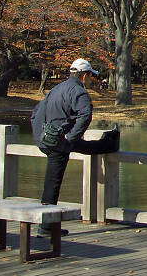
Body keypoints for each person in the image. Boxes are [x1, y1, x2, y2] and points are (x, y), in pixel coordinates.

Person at [31, 58, 98, 228]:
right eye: (91, 76)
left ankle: (109, 142)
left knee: (90, 148)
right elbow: (85, 115)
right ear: (84, 75)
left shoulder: (57, 88)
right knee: (52, 184)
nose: (92, 79)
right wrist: (71, 136)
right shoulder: (78, 91)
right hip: (58, 143)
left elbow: (36, 112)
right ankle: (46, 226)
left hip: (48, 140)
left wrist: (40, 136)